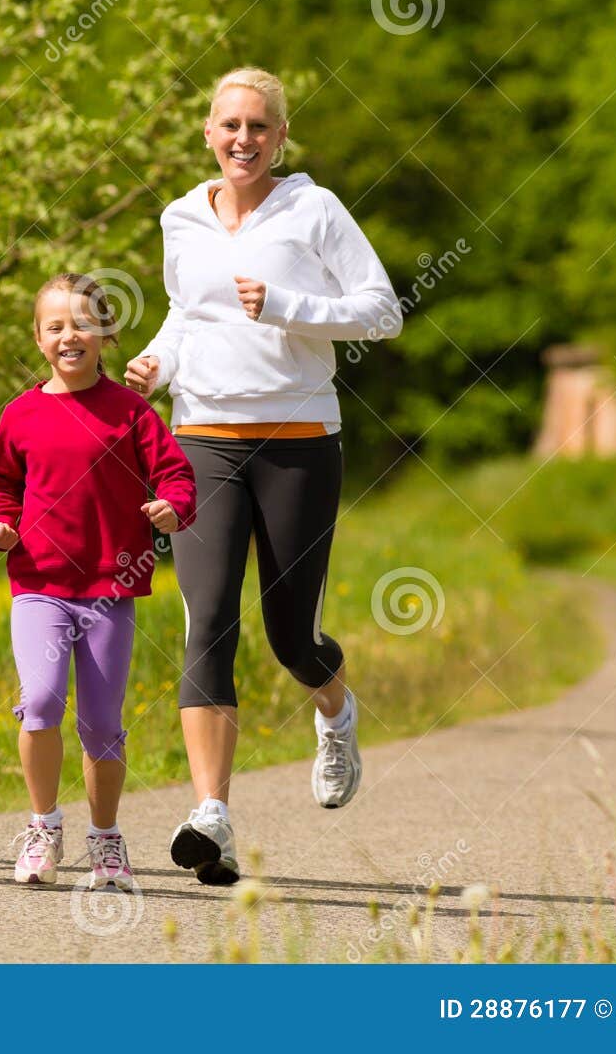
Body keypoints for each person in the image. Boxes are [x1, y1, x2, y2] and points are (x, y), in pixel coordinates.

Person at [125, 67, 403, 885]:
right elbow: (187, 310)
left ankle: (335, 707)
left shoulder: (313, 209)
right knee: (206, 619)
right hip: (202, 436)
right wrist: (158, 360)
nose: (242, 139)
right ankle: (211, 814)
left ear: (281, 138)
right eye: (229, 125)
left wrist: (289, 305)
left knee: (291, 634)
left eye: (259, 126)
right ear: (208, 132)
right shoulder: (181, 215)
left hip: (298, 438)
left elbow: (382, 309)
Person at [0, 273, 195, 888]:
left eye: (81, 324)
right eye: (55, 326)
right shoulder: (21, 416)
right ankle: (44, 827)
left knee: (102, 722)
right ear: (39, 339)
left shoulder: (131, 413)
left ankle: (106, 840)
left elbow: (176, 474)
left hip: (109, 589)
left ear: (106, 335)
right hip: (39, 585)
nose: (68, 336)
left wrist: (172, 507)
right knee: (41, 701)